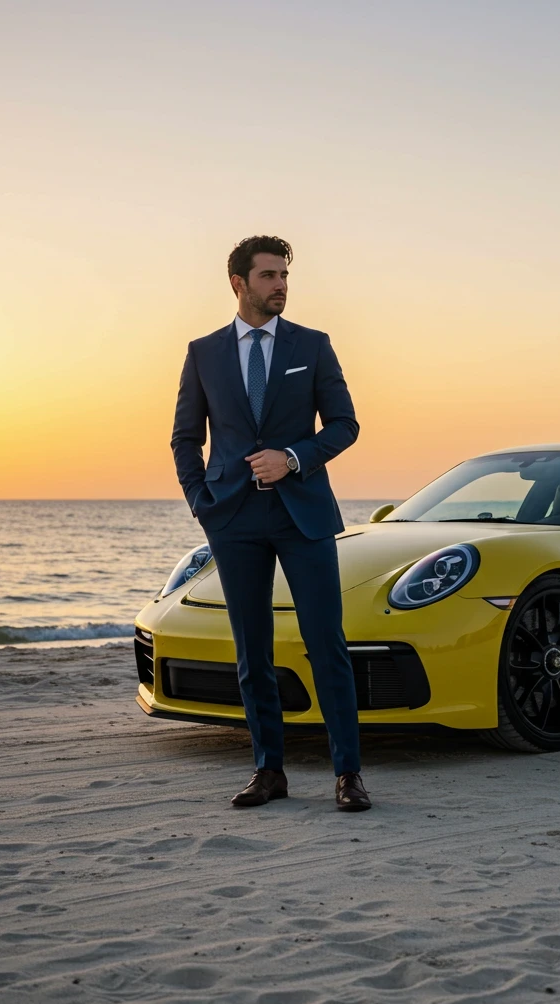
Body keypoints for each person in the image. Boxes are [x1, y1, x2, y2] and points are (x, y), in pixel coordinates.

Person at [171, 235, 370, 811]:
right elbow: (186, 437)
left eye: (284, 275)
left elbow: (343, 424)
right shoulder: (204, 352)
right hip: (232, 518)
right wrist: (201, 501)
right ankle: (268, 770)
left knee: (324, 642)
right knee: (250, 648)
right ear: (239, 283)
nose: (280, 284)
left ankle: (348, 773)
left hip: (301, 513)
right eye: (268, 276)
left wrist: (294, 458)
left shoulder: (313, 344)